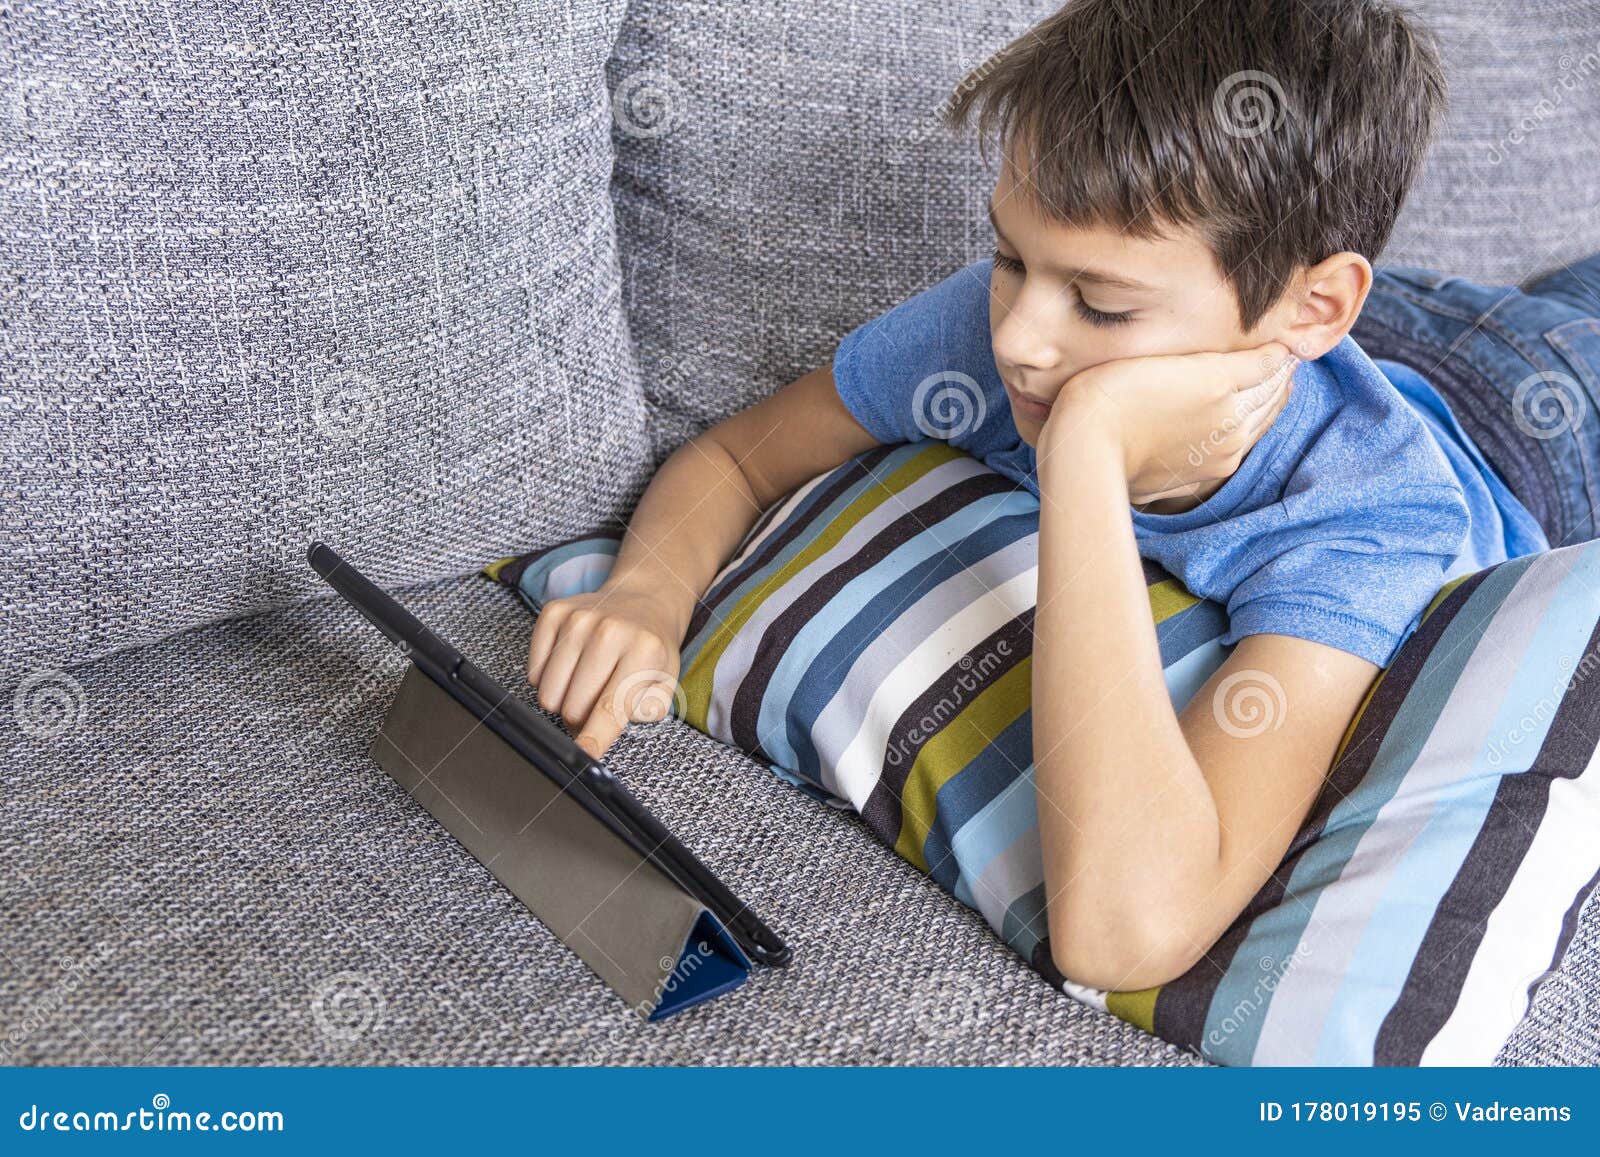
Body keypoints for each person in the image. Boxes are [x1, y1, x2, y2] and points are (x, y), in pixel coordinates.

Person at [523, 0, 1598, 991]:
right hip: (1373, 323)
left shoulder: (1367, 521)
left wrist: (1082, 450)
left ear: (1308, 305)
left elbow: (1125, 927)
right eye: (1007, 257)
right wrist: (645, 596)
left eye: (1098, 301)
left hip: (1544, 418)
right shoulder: (1004, 334)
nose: (1018, 339)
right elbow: (742, 460)